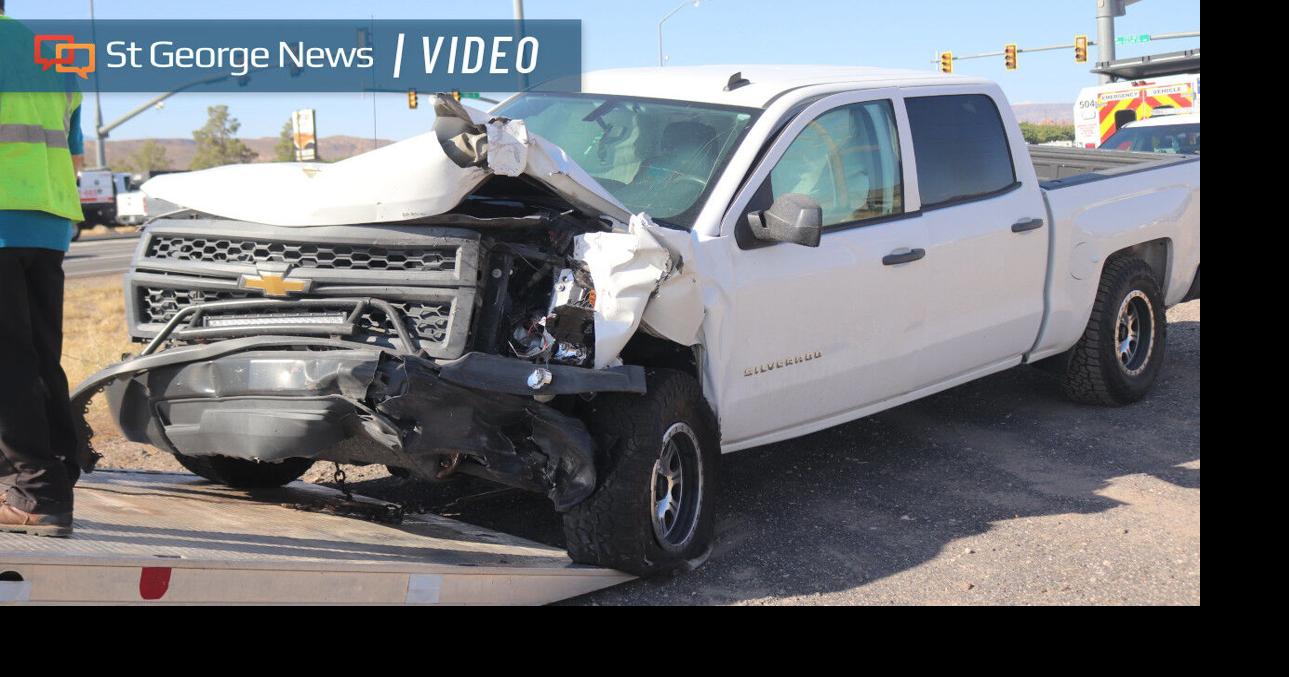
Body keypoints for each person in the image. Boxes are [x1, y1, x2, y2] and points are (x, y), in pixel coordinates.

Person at [0, 0, 87, 537]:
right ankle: (54, 471)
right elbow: (73, 156)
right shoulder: (54, 56)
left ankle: (37, 493)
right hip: (48, 224)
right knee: (35, 358)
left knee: (8, 363)